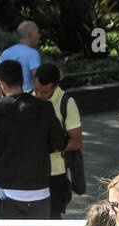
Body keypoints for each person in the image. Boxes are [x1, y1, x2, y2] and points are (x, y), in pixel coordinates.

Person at [0, 59, 66, 220]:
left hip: (7, 188)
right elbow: (60, 143)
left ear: (2, 84)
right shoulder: (45, 108)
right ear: (23, 80)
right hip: (40, 187)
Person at [33, 63, 83, 218]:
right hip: (30, 171)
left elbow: (77, 142)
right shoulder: (27, 97)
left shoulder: (67, 103)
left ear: (55, 86)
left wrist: (51, 147)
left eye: (45, 92)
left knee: (52, 217)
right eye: (37, 90)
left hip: (55, 173)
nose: (40, 95)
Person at [0, 21, 42, 92]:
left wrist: (8, 87)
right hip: (27, 97)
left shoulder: (7, 52)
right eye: (37, 32)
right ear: (30, 35)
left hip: (8, 97)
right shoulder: (32, 53)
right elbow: (37, 78)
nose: (39, 35)